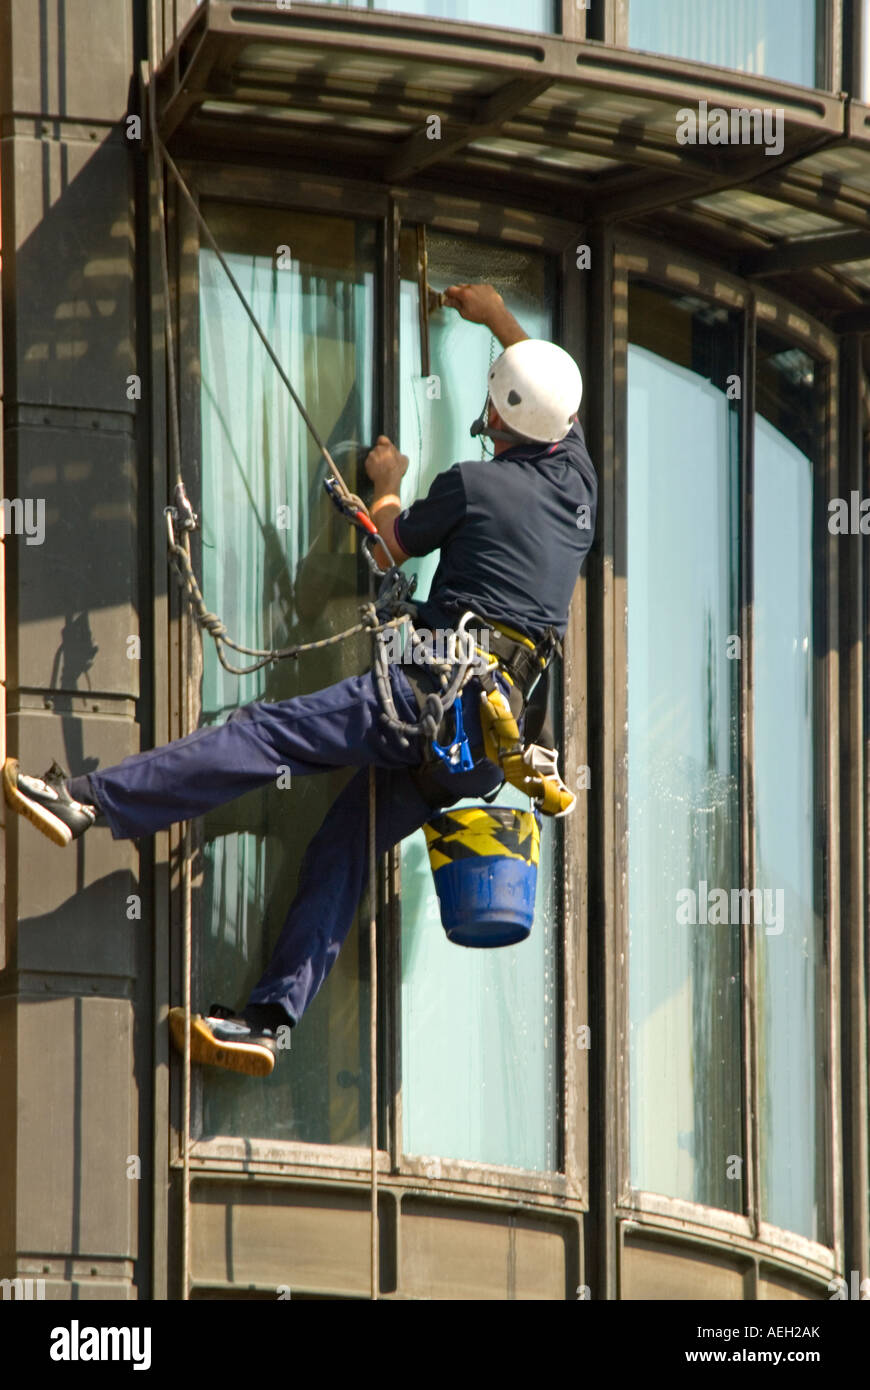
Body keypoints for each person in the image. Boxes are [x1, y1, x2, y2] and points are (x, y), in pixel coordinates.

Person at [3, 283, 597, 1078]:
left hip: (427, 696)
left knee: (261, 734)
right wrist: (493, 315)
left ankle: (85, 800)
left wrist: (388, 477)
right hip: (484, 744)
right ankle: (267, 1023)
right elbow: (545, 397)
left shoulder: (474, 482)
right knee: (341, 850)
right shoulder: (580, 484)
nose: (486, 417)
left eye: (494, 406)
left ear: (502, 415)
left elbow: (390, 544)